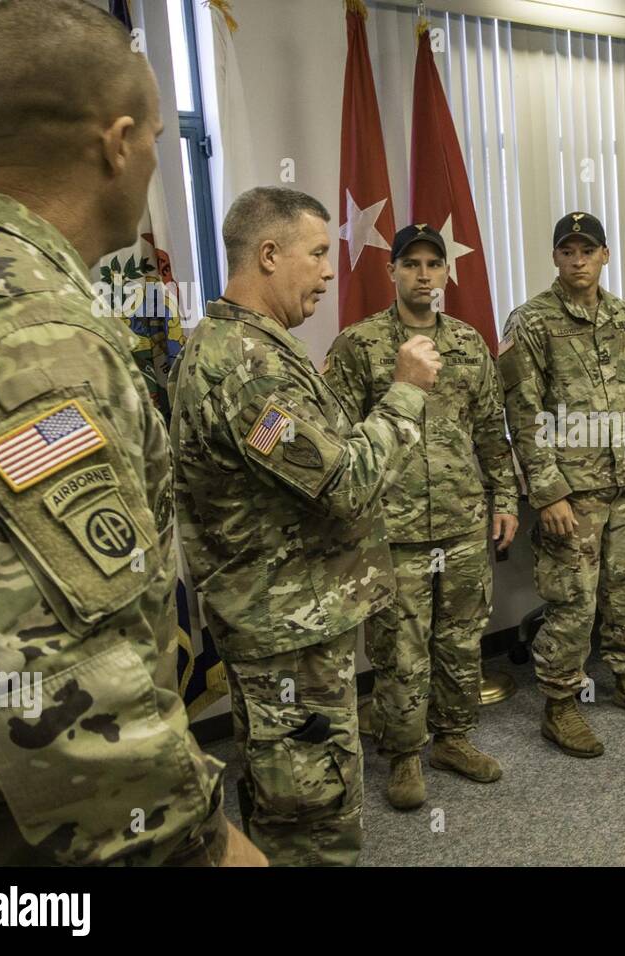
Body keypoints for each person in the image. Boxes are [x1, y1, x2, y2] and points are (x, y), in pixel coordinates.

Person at [0, 0, 260, 866]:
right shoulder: (34, 340)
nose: (157, 158)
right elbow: (49, 675)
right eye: (158, 135)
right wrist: (202, 845)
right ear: (118, 143)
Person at [171, 187, 440, 864]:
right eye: (318, 253)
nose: (328, 270)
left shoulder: (260, 347)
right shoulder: (245, 366)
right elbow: (345, 483)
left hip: (293, 623)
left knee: (296, 801)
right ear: (269, 254)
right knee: (310, 828)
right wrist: (406, 389)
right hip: (284, 633)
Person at [324, 224, 519, 810]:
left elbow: (490, 429)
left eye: (435, 263)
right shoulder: (358, 346)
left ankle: (453, 739)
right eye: (412, 263)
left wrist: (505, 497)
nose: (425, 274)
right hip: (393, 529)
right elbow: (339, 439)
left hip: (461, 521)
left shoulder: (467, 343)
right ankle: (405, 755)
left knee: (460, 641)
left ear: (446, 272)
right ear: (392, 271)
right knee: (399, 651)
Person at [498, 211, 625, 758]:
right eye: (567, 251)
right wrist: (547, 490)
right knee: (572, 602)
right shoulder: (529, 322)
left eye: (588, 250)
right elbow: (522, 413)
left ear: (604, 255)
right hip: (573, 495)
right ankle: (559, 704)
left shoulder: (622, 315)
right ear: (555, 257)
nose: (578, 260)